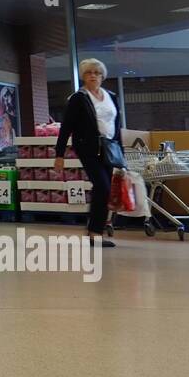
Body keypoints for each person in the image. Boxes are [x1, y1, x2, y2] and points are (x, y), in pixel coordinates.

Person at [55, 58, 121, 249]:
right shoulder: (79, 98)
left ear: (102, 76)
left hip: (110, 148)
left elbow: (118, 127)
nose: (93, 76)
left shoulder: (112, 97)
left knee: (104, 190)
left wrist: (121, 157)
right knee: (102, 186)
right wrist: (59, 154)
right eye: (89, 73)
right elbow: (66, 127)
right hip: (88, 148)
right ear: (83, 77)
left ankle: (95, 230)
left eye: (97, 73)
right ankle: (94, 233)